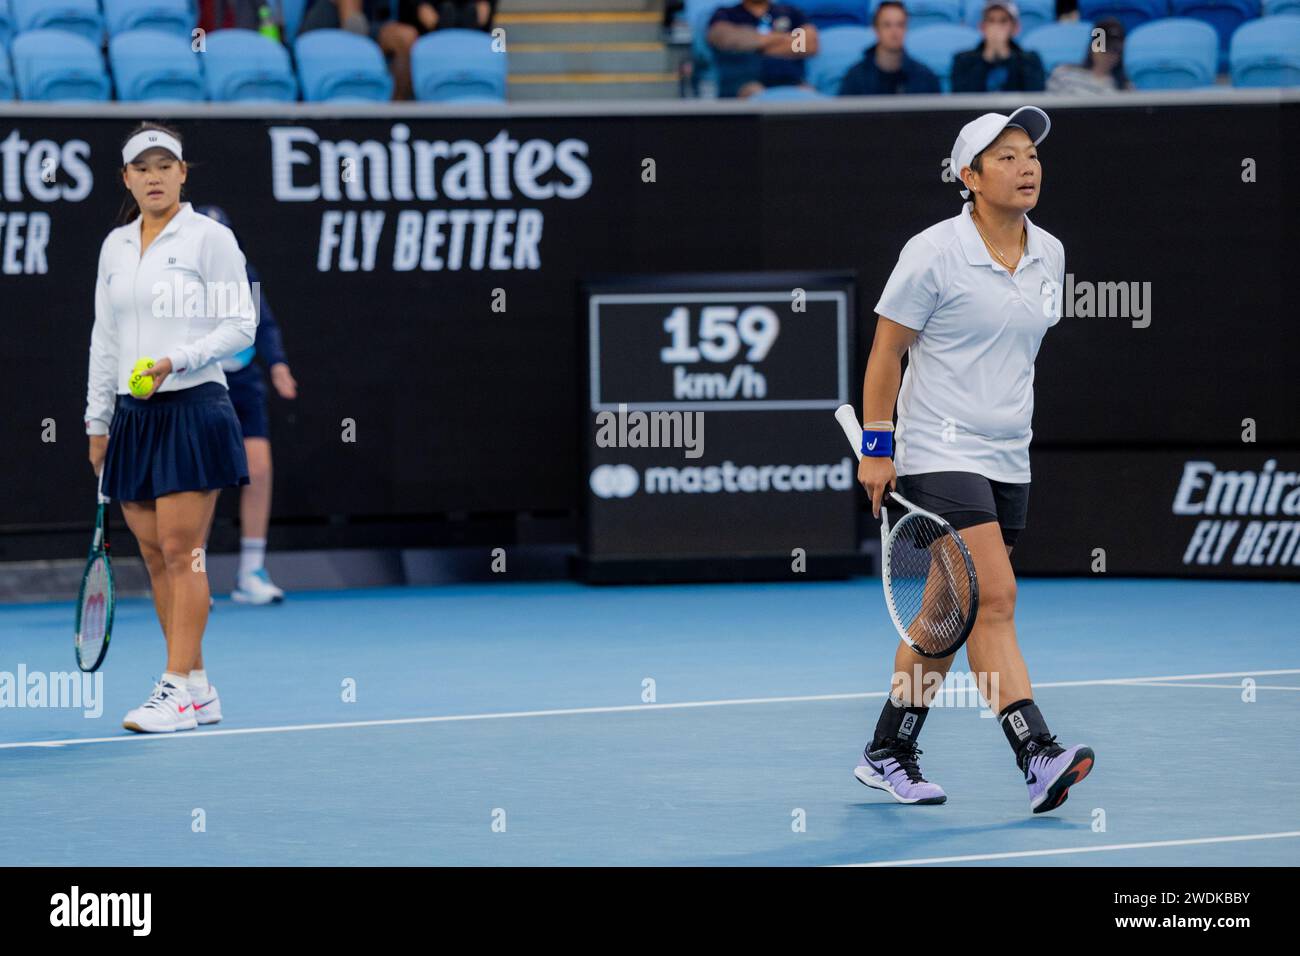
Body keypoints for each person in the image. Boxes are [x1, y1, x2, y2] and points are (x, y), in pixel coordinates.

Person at [852, 106, 1095, 813]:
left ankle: (887, 750)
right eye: (1007, 157)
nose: (1027, 168)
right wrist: (877, 445)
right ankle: (1036, 751)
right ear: (970, 176)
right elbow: (887, 352)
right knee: (996, 597)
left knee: (946, 613)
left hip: (1008, 455)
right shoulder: (932, 252)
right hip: (937, 447)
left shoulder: (1050, 253)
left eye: (1032, 156)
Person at [86, 122, 257, 733]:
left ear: (183, 173)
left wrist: (175, 360)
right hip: (132, 417)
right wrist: (97, 419)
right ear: (126, 179)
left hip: (194, 407)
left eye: (165, 166)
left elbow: (241, 325)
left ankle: (175, 688)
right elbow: (105, 338)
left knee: (185, 553)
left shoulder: (211, 238)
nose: (154, 177)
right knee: (157, 555)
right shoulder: (114, 246)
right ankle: (199, 687)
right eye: (142, 168)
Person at [195, 206, 297, 606]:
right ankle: (193, 575)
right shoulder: (181, 280)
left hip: (244, 384)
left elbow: (263, 324)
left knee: (259, 470)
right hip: (202, 383)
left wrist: (278, 364)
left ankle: (250, 573)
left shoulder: (243, 273)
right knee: (205, 480)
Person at [706, 0, 820, 98]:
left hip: (792, 82)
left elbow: (810, 44)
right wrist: (786, 38)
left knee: (809, 97)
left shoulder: (791, 12)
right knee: (755, 94)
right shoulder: (725, 14)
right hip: (742, 85)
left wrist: (755, 45)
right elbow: (724, 39)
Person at [838, 1, 940, 96]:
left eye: (900, 25)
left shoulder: (925, 78)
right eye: (887, 25)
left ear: (906, 29)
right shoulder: (855, 78)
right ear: (876, 29)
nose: (894, 32)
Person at [950, 1, 1045, 94]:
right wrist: (988, 56)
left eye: (1003, 21)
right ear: (982, 27)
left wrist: (1004, 55)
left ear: (1015, 28)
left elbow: (1034, 95)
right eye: (991, 20)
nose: (996, 27)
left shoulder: (1030, 61)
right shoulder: (963, 61)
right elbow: (963, 97)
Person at [1047, 17, 1128, 94]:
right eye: (1103, 46)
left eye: (1114, 49)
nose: (1107, 53)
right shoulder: (1063, 74)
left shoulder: (1123, 90)